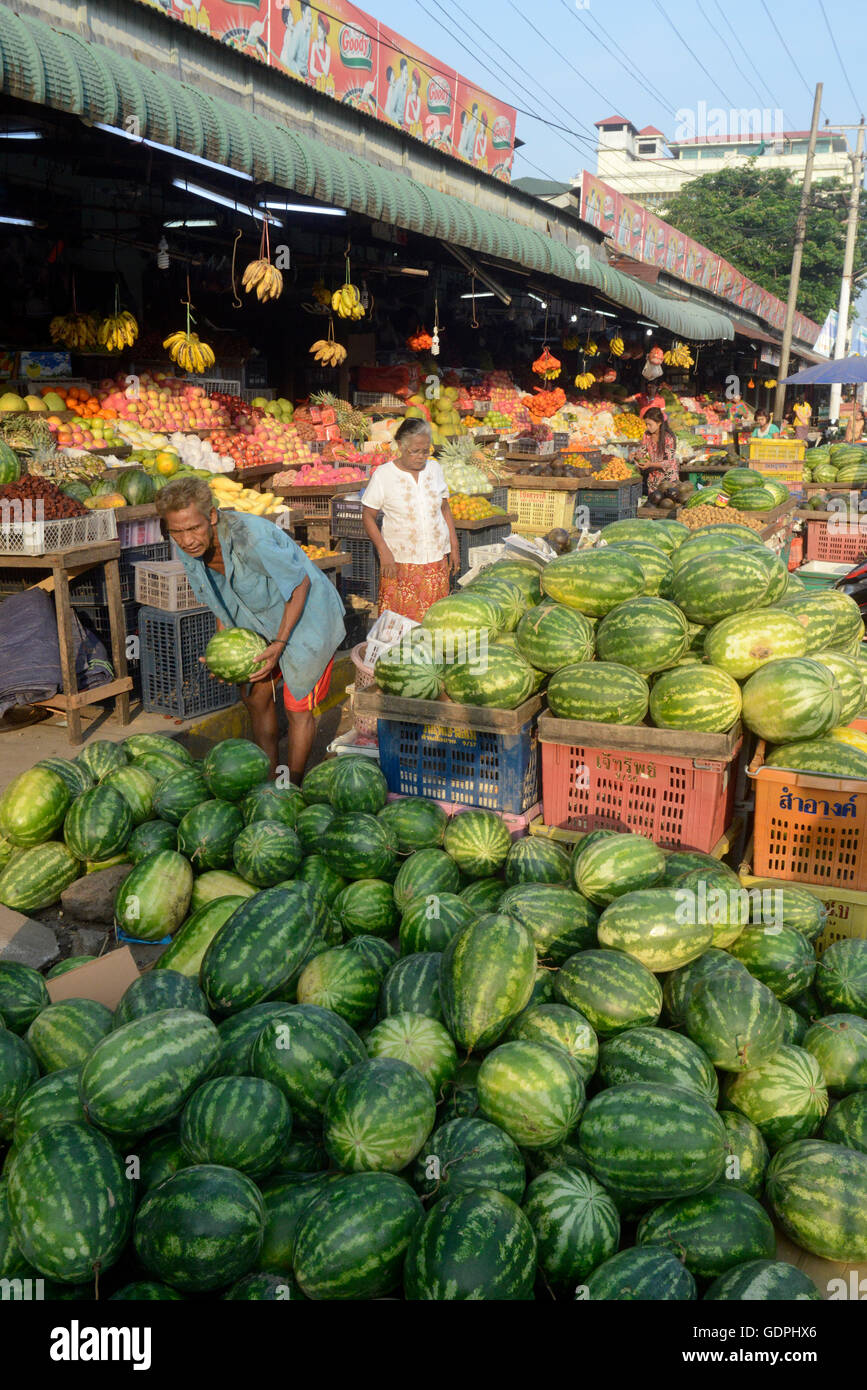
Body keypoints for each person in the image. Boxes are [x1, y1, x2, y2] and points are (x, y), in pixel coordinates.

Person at [156, 478, 345, 785]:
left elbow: (300, 585)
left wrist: (280, 643)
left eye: (194, 528)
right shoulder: (186, 549)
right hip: (255, 622)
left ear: (212, 516)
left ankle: (292, 786)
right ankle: (269, 784)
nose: (187, 539)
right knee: (256, 698)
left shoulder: (251, 538)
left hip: (307, 617)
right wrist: (224, 651)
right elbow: (218, 598)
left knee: (297, 706)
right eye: (177, 531)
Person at [361, 417, 460, 622]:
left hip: (435, 560)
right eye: (414, 451)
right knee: (400, 624)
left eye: (425, 451)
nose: (420, 456)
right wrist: (383, 551)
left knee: (434, 622)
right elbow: (368, 516)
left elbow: (444, 508)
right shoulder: (384, 475)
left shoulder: (434, 469)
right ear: (400, 446)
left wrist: (454, 545)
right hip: (400, 562)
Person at [631, 405, 678, 492]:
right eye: (646, 424)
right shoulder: (647, 435)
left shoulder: (668, 438)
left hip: (668, 479)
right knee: (652, 502)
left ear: (659, 422)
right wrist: (637, 456)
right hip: (654, 479)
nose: (647, 427)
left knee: (666, 503)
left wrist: (650, 464)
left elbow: (669, 462)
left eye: (650, 424)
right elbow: (643, 451)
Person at [280, 1, 311, 79]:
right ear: (286, 24)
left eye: (291, 16)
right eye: (289, 18)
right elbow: (290, 58)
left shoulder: (298, 29)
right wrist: (299, 73)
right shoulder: (289, 35)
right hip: (286, 66)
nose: (292, 20)